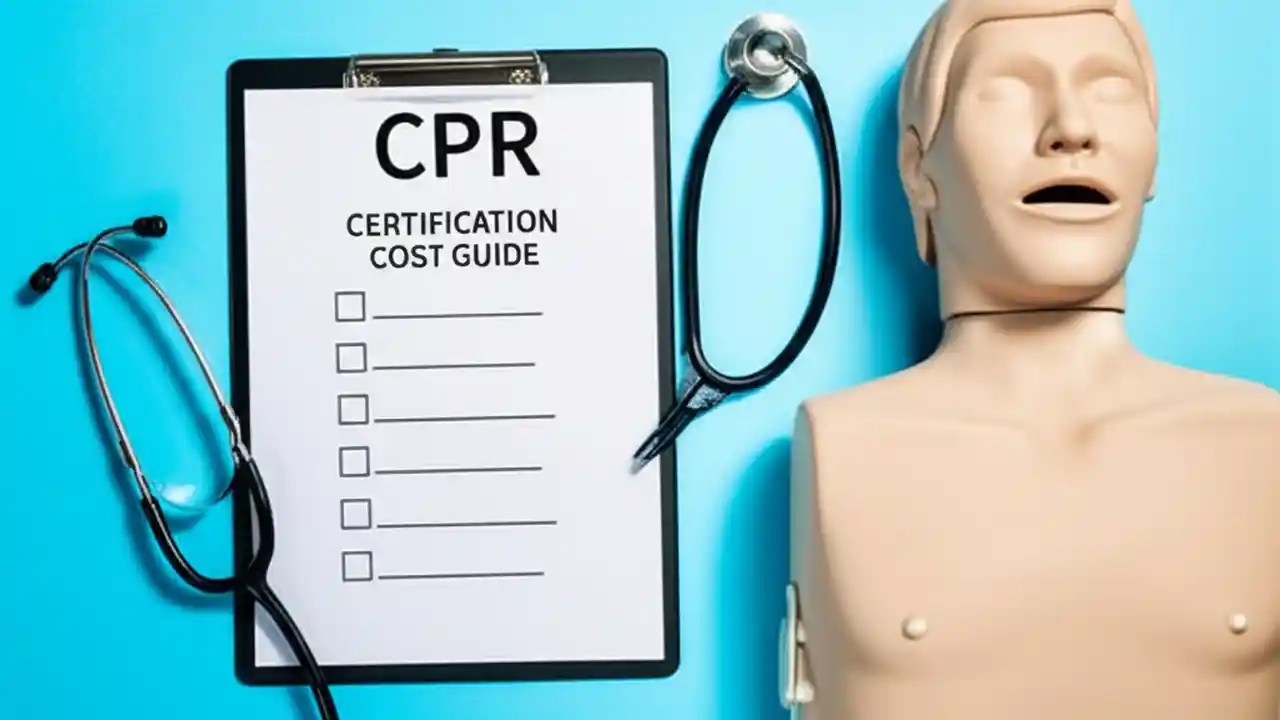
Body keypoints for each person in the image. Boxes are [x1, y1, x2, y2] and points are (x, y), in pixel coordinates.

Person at [786, 1, 1280, 718]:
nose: (1072, 130)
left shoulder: (1260, 438)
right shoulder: (844, 442)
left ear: (1154, 158)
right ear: (918, 168)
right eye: (1009, 91)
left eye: (1110, 89)